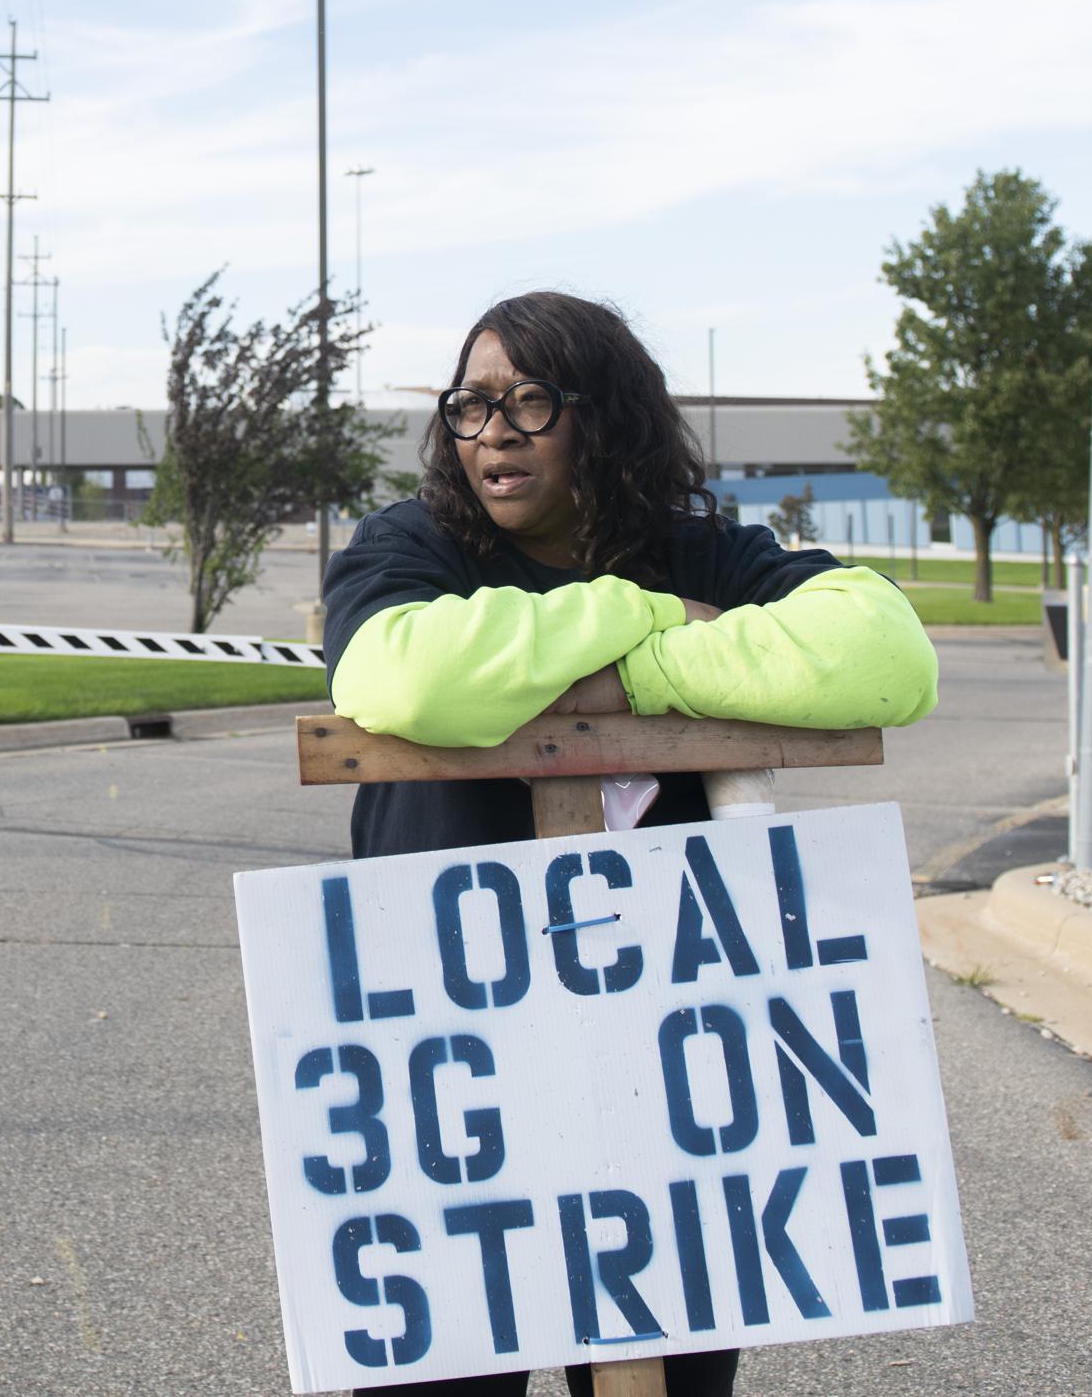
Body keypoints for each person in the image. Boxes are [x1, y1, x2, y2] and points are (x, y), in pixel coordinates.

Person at [319, 291, 939, 1397]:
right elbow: (401, 677)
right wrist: (651, 618)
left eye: (530, 401)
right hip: (455, 1046)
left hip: (667, 1044)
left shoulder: (704, 549)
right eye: (470, 405)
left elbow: (885, 657)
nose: (494, 432)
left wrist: (632, 679)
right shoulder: (412, 546)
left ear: (603, 416)